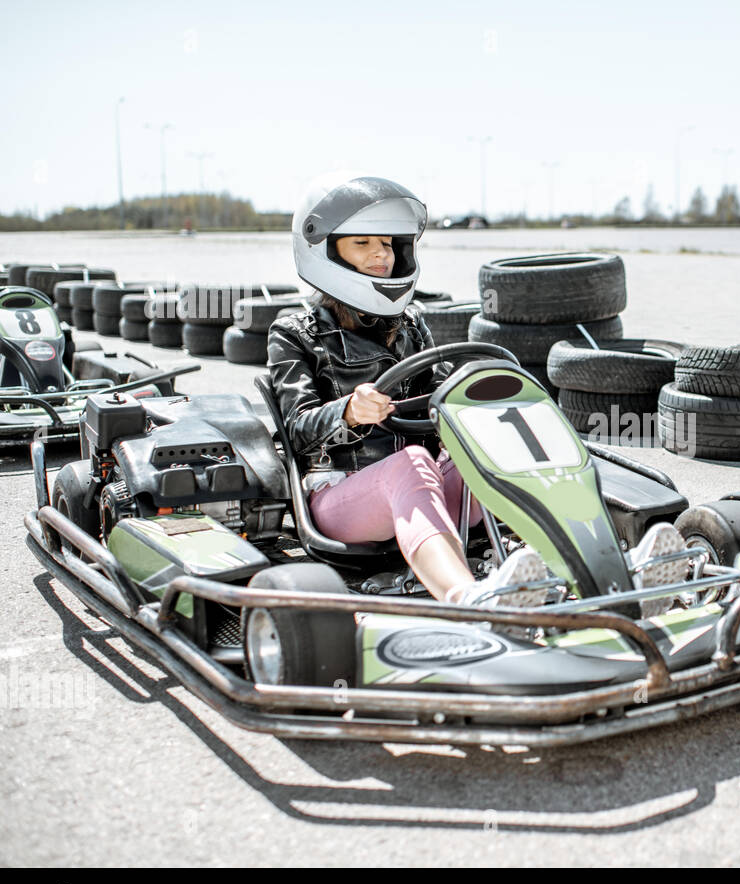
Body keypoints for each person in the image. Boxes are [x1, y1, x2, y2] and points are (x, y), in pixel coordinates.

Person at [270, 172, 686, 610]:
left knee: (504, 450)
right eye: (363, 243)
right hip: (341, 496)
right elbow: (295, 430)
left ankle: (607, 575)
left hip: (421, 487)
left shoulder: (409, 324)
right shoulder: (295, 333)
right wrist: (349, 413)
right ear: (324, 250)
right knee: (409, 462)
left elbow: (442, 393)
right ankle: (470, 598)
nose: (381, 255)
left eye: (389, 244)